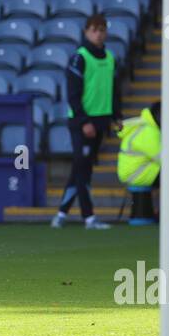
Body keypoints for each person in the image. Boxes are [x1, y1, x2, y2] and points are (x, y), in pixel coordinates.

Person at [52, 13, 122, 230]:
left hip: (101, 120)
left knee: (81, 169)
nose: (99, 34)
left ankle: (61, 215)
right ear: (86, 32)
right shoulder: (79, 58)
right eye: (94, 30)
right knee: (83, 170)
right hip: (83, 122)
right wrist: (84, 121)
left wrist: (116, 116)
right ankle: (89, 217)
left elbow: (113, 90)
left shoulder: (109, 57)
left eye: (102, 30)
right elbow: (73, 94)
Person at [116, 100, 160, 226]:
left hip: (130, 172)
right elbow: (164, 158)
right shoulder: (150, 132)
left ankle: (155, 211)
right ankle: (166, 213)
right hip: (137, 174)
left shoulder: (142, 125)